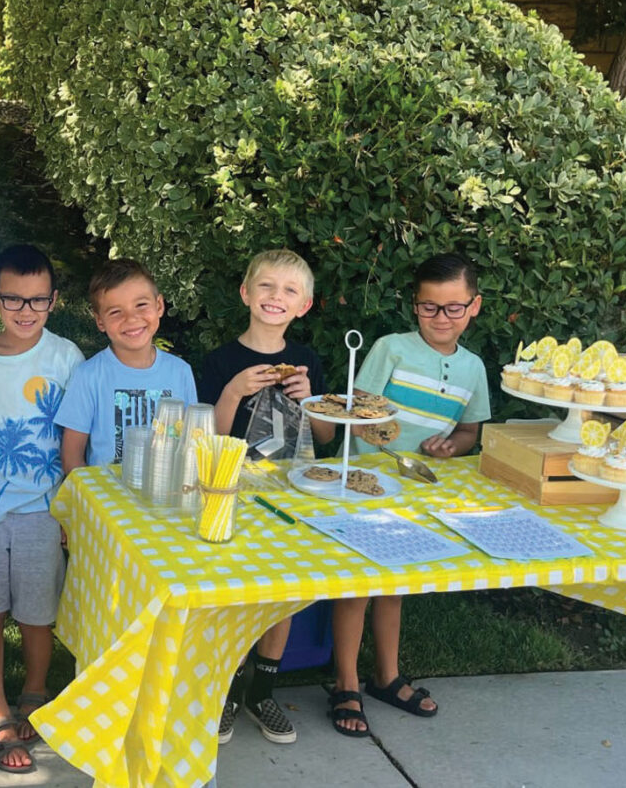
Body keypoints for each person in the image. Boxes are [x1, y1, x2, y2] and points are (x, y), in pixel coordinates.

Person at [327, 252, 490, 737]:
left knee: (394, 584)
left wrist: (449, 446)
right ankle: (345, 682)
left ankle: (387, 675)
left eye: (453, 308)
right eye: (429, 307)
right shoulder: (390, 349)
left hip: (415, 487)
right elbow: (357, 409)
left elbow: (469, 432)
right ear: (414, 307)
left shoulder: (473, 368)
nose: (441, 318)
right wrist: (378, 433)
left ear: (474, 306)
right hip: (365, 484)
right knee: (357, 586)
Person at [0, 245, 84, 774]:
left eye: (37, 301)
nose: (25, 312)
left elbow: (77, 437)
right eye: (13, 300)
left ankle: (33, 693)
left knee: (37, 613)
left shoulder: (66, 356)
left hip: (47, 514)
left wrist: (72, 513)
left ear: (54, 300)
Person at [197, 249, 334, 745]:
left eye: (289, 291)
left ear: (304, 305)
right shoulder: (221, 361)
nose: (276, 297)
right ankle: (229, 690)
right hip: (231, 490)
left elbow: (324, 435)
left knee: (285, 590)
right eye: (266, 287)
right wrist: (232, 392)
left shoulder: (308, 362)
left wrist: (310, 399)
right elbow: (207, 435)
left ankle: (263, 691)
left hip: (290, 492)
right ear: (246, 294)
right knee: (236, 592)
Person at [56, 259, 197, 473]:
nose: (131, 319)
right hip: (106, 501)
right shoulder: (89, 375)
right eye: (115, 312)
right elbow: (71, 458)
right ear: (100, 321)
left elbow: (191, 446)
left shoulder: (181, 372)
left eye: (141, 305)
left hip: (167, 498)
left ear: (159, 305)